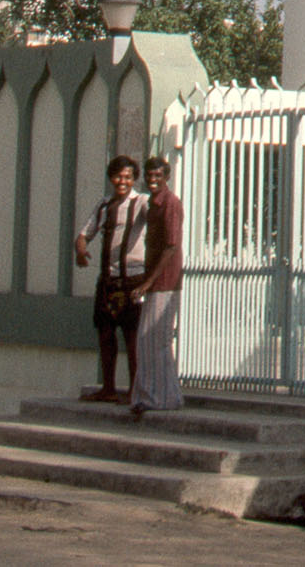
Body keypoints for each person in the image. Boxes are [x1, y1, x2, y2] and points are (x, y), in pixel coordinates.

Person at [73, 155, 146, 403]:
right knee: (105, 334)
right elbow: (84, 234)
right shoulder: (104, 205)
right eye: (118, 177)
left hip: (133, 280)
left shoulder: (141, 203)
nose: (122, 182)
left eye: (127, 177)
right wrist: (81, 250)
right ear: (110, 178)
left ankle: (135, 390)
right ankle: (108, 388)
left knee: (132, 338)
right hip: (108, 280)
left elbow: (159, 219)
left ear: (134, 179)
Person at [130, 155, 185, 418]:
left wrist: (149, 281)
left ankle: (160, 398)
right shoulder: (152, 204)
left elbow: (171, 245)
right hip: (154, 280)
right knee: (147, 340)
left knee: (156, 340)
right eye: (149, 176)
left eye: (158, 176)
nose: (153, 180)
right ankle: (160, 395)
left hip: (165, 281)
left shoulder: (170, 204)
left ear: (167, 177)